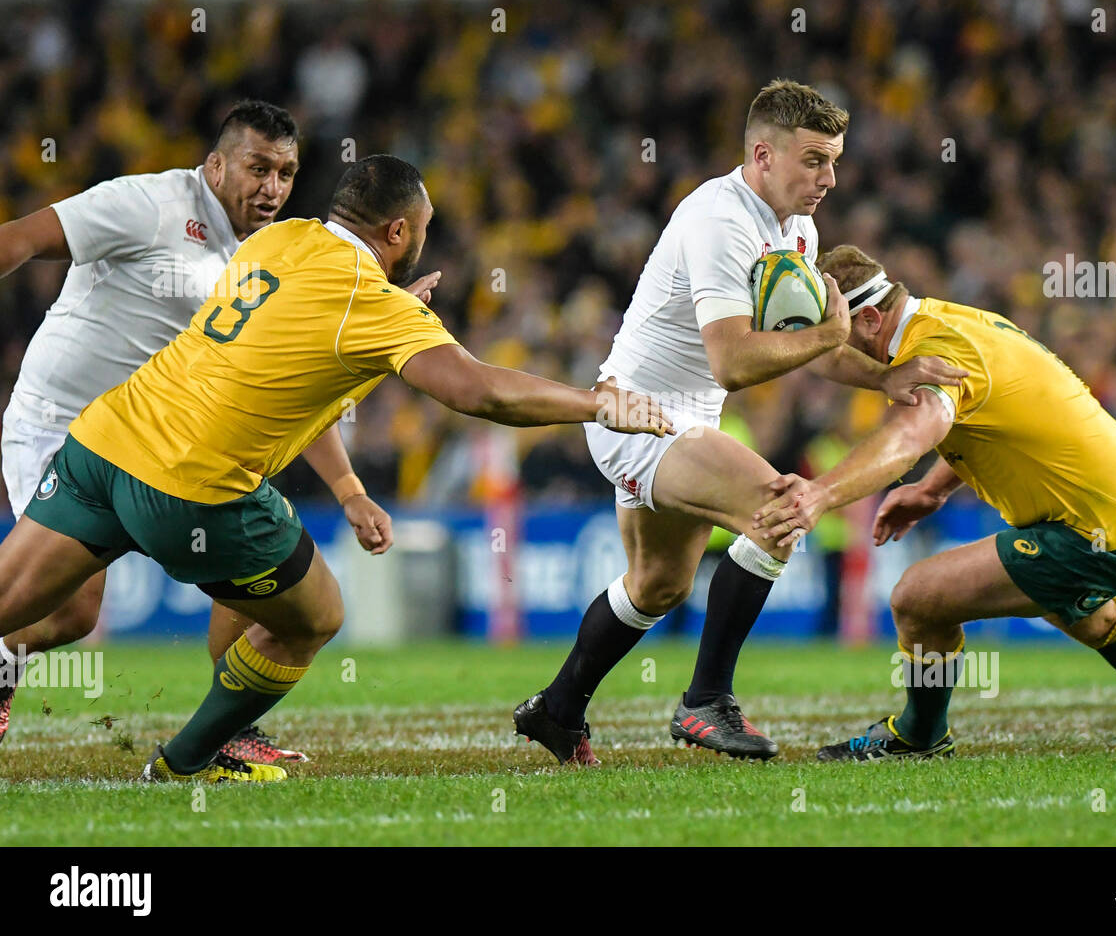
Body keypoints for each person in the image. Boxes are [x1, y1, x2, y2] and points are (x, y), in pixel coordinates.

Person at [0, 154, 672, 782]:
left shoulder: (276, 241)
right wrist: (595, 403)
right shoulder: (370, 303)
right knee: (314, 614)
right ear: (400, 230)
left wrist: (349, 486)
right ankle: (186, 760)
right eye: (426, 229)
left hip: (104, 441)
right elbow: (480, 390)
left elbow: (297, 362)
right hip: (188, 486)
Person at [513, 80, 963, 765]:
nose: (829, 179)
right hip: (637, 416)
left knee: (657, 584)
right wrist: (827, 336)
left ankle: (557, 708)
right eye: (813, 160)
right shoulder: (720, 220)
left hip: (685, 418)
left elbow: (801, 344)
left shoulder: (796, 228)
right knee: (782, 508)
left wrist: (881, 375)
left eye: (834, 160)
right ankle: (704, 702)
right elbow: (732, 360)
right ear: (761, 155)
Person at [0, 100, 397, 765]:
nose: (271, 188)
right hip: (67, 428)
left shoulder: (278, 251)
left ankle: (231, 729)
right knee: (70, 613)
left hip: (172, 447)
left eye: (286, 173)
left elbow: (285, 384)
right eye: (257, 168)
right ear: (215, 165)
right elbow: (23, 239)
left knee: (254, 567)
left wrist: (350, 488)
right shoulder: (147, 205)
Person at [754, 244, 1116, 759]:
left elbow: (907, 439)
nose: (826, 345)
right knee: (1085, 615)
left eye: (834, 331)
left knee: (916, 598)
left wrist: (820, 493)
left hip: (1093, 524)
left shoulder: (933, 350)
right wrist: (933, 488)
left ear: (871, 318)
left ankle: (919, 736)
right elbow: (1001, 416)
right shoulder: (953, 320)